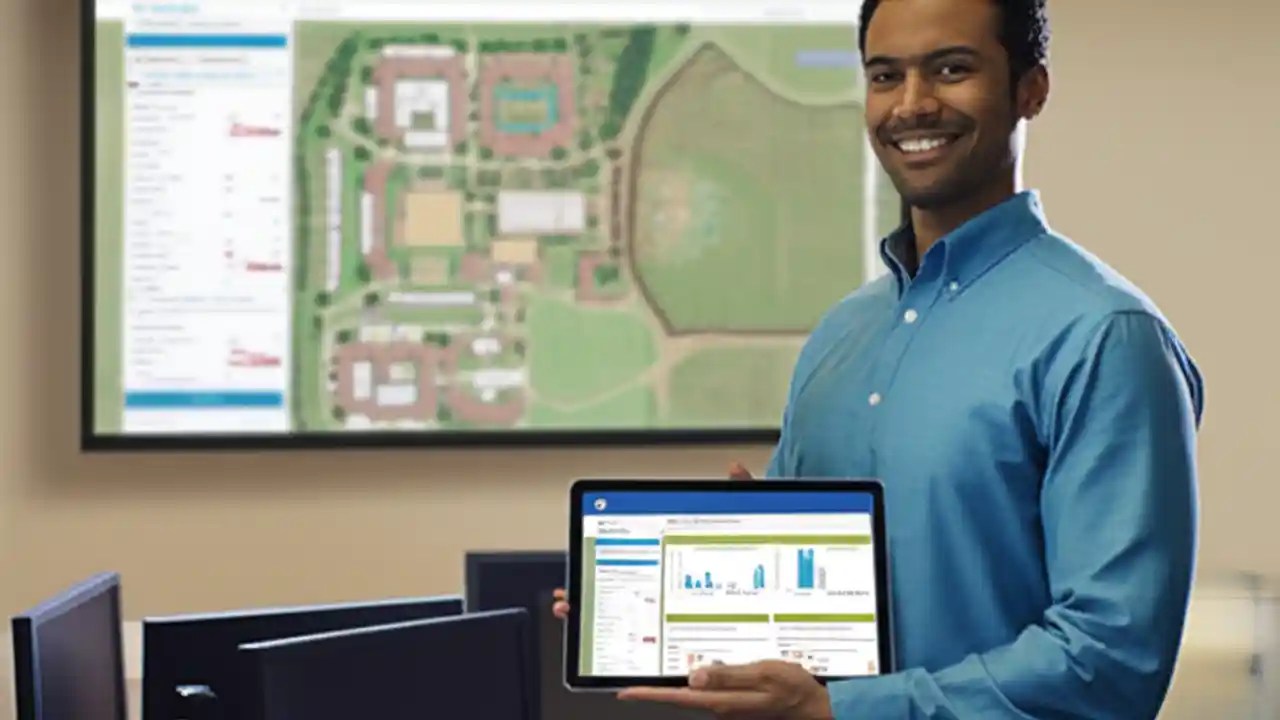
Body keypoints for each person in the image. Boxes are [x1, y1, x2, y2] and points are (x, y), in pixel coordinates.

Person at [552, 0, 1204, 716]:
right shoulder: (842, 332)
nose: (913, 105)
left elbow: (1110, 661)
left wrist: (846, 711)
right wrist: (672, 606)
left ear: (1030, 89)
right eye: (885, 76)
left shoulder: (1104, 335)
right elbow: (804, 638)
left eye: (951, 70)